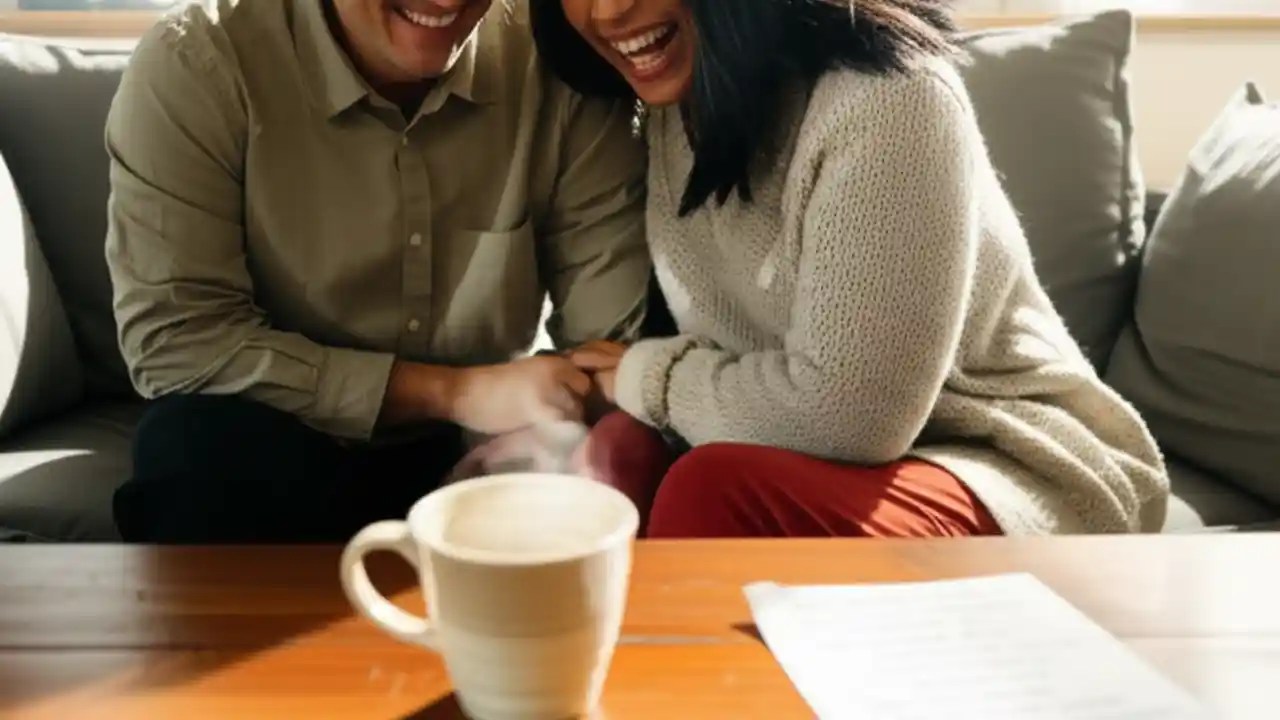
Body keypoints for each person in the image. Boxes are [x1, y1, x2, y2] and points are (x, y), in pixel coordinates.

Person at [536, 0, 1171, 538]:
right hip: (814, 457)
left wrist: (649, 378)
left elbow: (848, 416)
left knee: (714, 490)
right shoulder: (668, 102)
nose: (609, 10)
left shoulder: (888, 96)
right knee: (612, 458)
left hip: (1009, 465)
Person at [105, 0, 655, 543]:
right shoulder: (198, 64)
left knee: (618, 449)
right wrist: (455, 392)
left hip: (488, 446)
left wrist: (560, 411)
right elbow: (176, 344)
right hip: (282, 439)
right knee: (188, 447)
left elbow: (614, 344)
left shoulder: (560, 62)